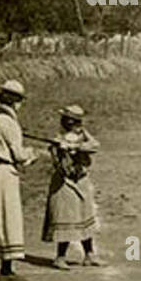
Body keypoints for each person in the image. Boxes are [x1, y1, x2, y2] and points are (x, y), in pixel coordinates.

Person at [42, 105, 103, 269]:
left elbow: (95, 145)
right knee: (65, 217)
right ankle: (60, 257)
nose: (70, 123)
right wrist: (60, 148)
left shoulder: (82, 133)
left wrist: (75, 147)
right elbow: (57, 162)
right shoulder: (58, 136)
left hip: (81, 180)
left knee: (85, 214)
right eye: (68, 120)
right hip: (64, 182)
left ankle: (89, 254)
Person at [0, 79, 37, 280]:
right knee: (7, 217)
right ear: (15, 101)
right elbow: (19, 155)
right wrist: (32, 153)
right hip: (3, 172)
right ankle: (6, 269)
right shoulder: (9, 122)